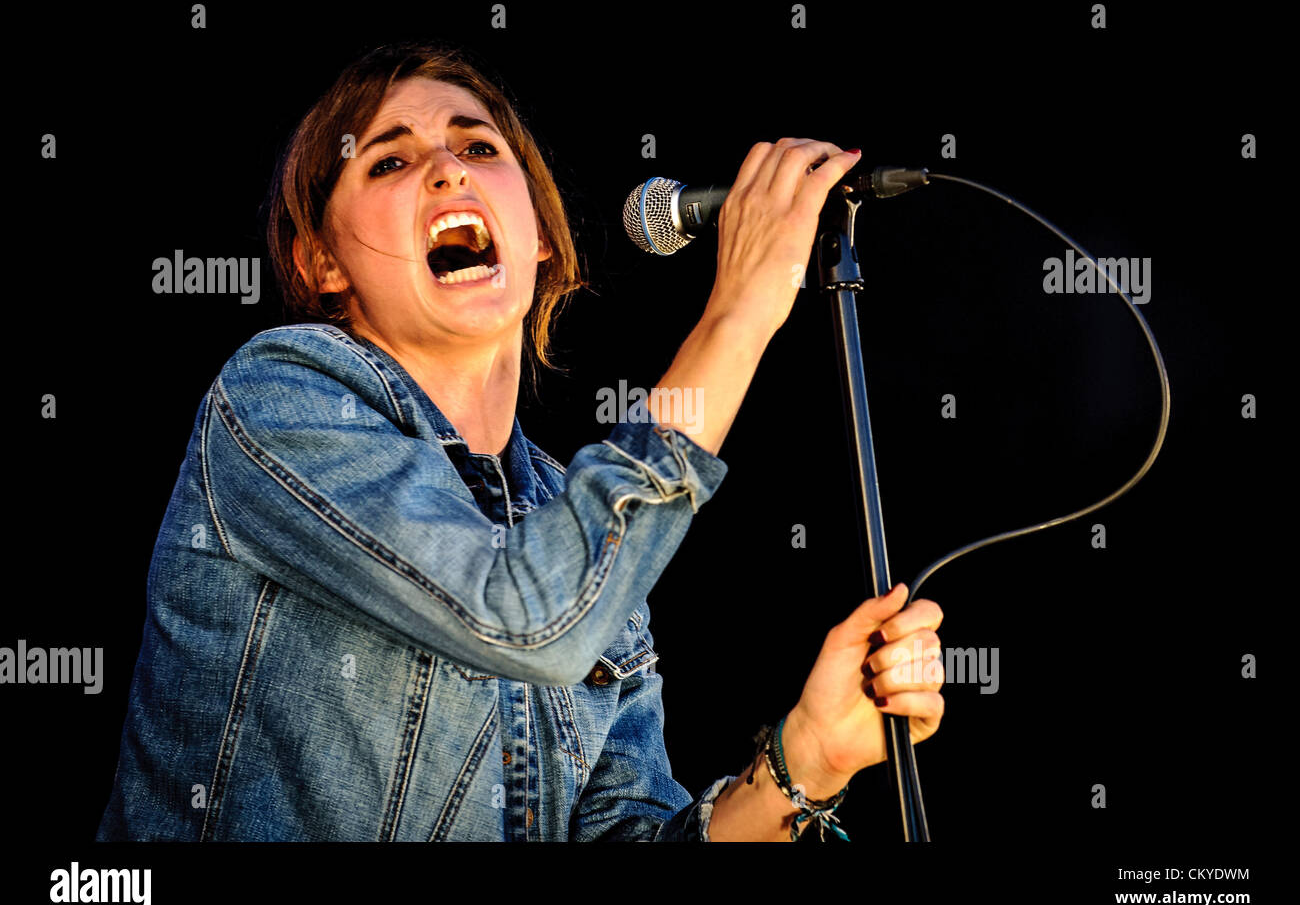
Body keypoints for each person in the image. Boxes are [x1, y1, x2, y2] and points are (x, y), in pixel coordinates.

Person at [96, 41, 945, 842]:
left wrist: (807, 759)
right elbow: (526, 620)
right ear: (322, 262)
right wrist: (742, 309)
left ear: (539, 235)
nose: (446, 167)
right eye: (389, 159)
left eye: (478, 147)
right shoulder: (279, 395)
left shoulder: (573, 529)